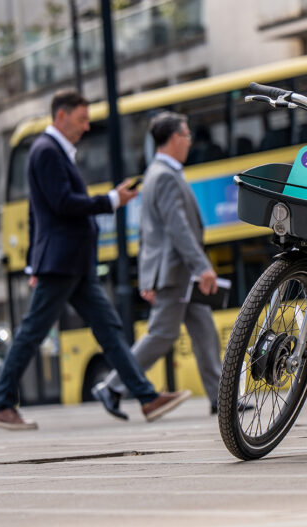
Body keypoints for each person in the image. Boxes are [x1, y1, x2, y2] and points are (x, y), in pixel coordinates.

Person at [0, 90, 191, 431]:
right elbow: (63, 204)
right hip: (62, 261)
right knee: (32, 332)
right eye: (82, 119)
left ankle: (146, 397)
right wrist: (111, 199)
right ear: (61, 115)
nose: (86, 126)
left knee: (109, 329)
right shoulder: (47, 151)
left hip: (71, 263)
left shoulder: (56, 152)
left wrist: (33, 262)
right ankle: (0, 404)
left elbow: (38, 212)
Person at [91, 111, 243, 419]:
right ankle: (112, 385)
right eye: (186, 136)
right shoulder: (164, 176)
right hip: (176, 272)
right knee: (161, 334)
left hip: (176, 272)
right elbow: (177, 229)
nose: (189, 142)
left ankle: (220, 398)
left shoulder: (159, 174)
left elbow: (150, 234)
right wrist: (202, 267)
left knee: (204, 333)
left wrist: (148, 279)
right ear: (174, 139)